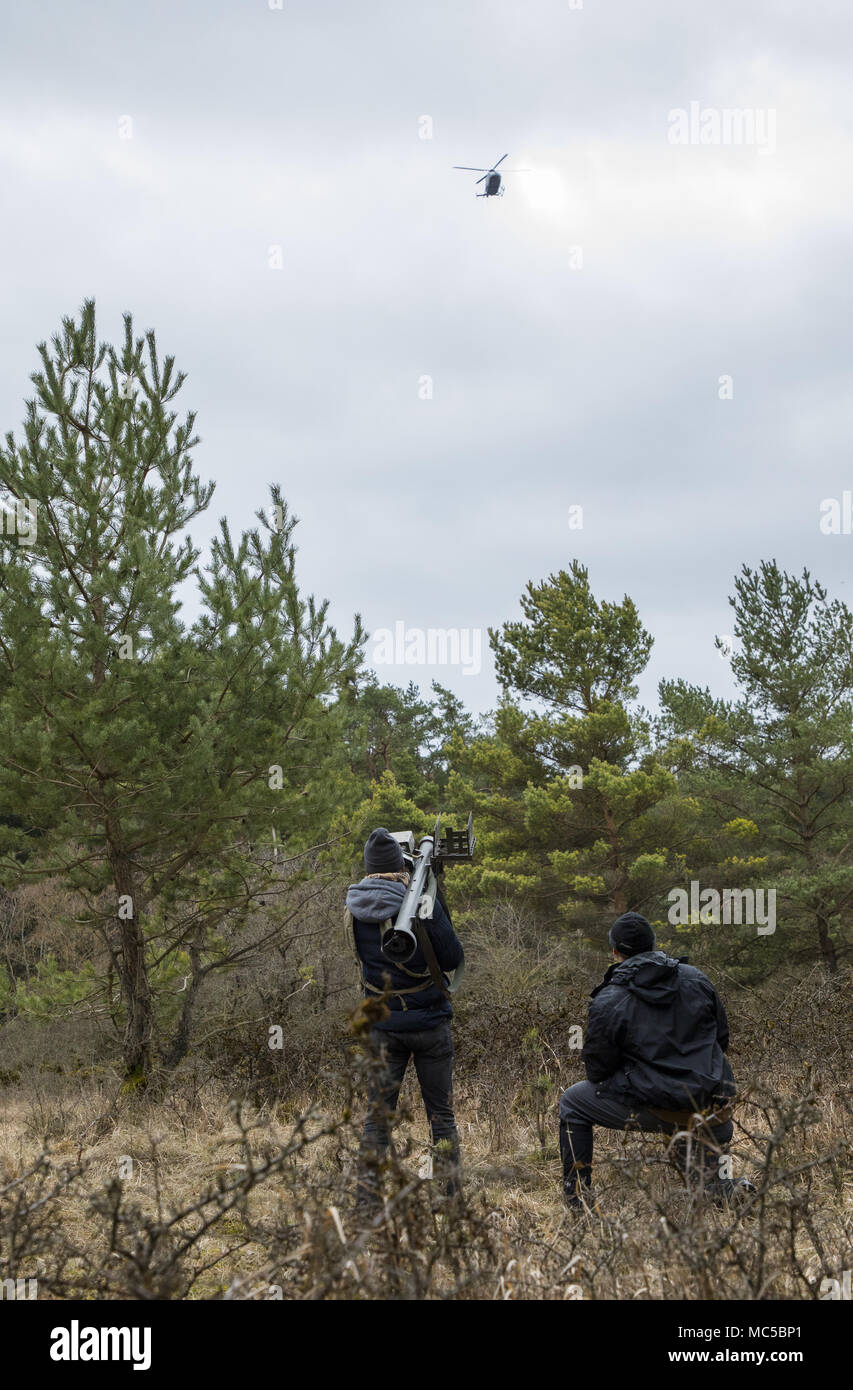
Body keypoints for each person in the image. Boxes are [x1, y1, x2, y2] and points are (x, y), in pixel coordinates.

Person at [559, 911, 754, 1209]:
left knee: (572, 1102)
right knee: (709, 1189)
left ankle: (578, 1201)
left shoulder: (610, 999)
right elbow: (721, 1040)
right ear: (653, 944)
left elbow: (598, 1070)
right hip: (714, 1109)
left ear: (614, 952)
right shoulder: (697, 978)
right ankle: (729, 1187)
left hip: (663, 1109)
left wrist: (638, 1073)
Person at [346, 827, 464, 1210]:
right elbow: (451, 958)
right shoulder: (420, 900)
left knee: (378, 1117)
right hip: (429, 1023)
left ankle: (365, 1203)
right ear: (401, 864)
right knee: (441, 1116)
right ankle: (448, 1199)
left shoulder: (355, 908)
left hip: (383, 1027)